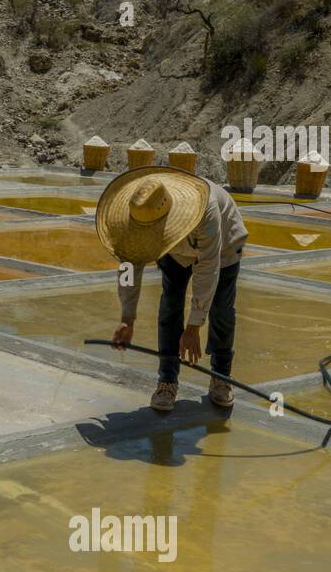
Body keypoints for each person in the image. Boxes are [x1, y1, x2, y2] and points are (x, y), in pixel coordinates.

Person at [94, 166, 248, 412]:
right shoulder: (137, 215)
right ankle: (167, 381)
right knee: (170, 307)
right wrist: (127, 316)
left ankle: (221, 376)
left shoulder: (205, 209)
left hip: (223, 247)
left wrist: (194, 325)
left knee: (221, 310)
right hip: (174, 252)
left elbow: (208, 270)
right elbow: (127, 267)